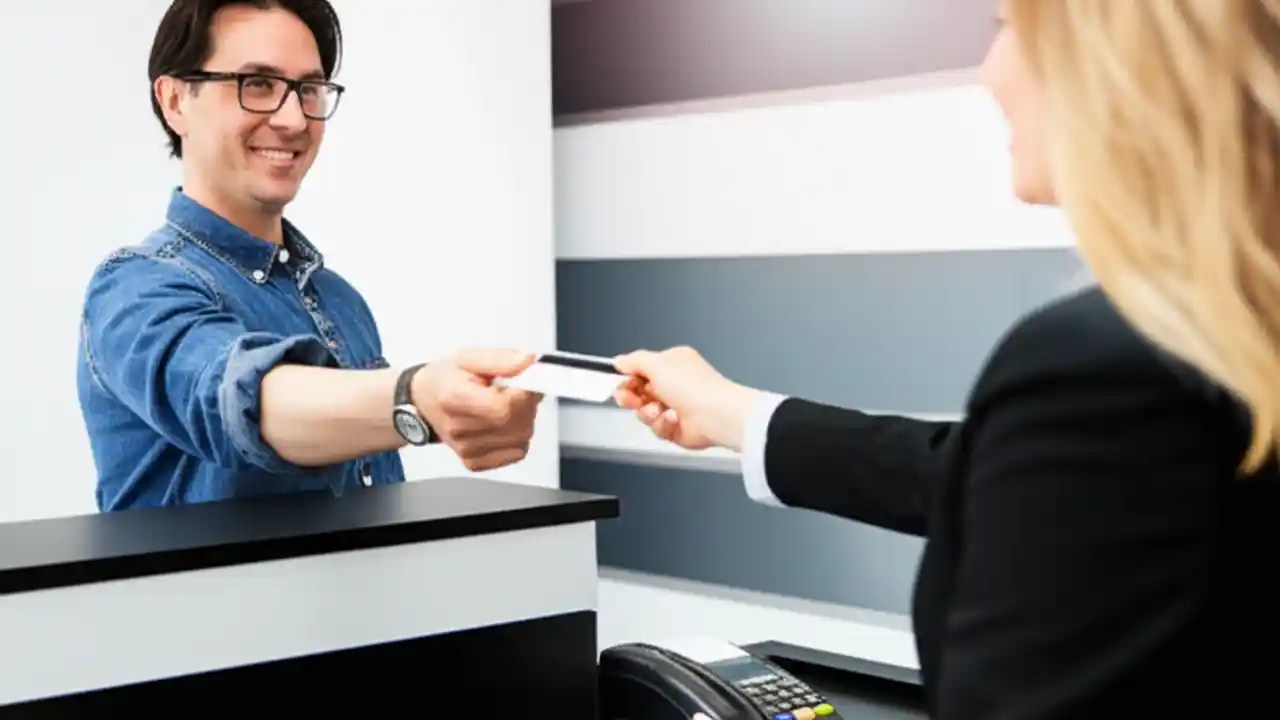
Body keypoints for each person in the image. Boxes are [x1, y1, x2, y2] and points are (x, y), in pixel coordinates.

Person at [613, 1, 1280, 717]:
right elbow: (988, 474)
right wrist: (734, 414)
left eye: (1007, 30)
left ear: (1113, 66)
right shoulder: (1230, 338)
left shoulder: (1102, 366)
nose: (990, 72)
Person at [76, 0, 541, 511]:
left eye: (309, 90)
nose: (294, 119)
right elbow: (234, 398)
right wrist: (415, 396)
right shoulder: (133, 287)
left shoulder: (340, 300)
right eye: (257, 84)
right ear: (174, 101)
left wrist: (443, 404)